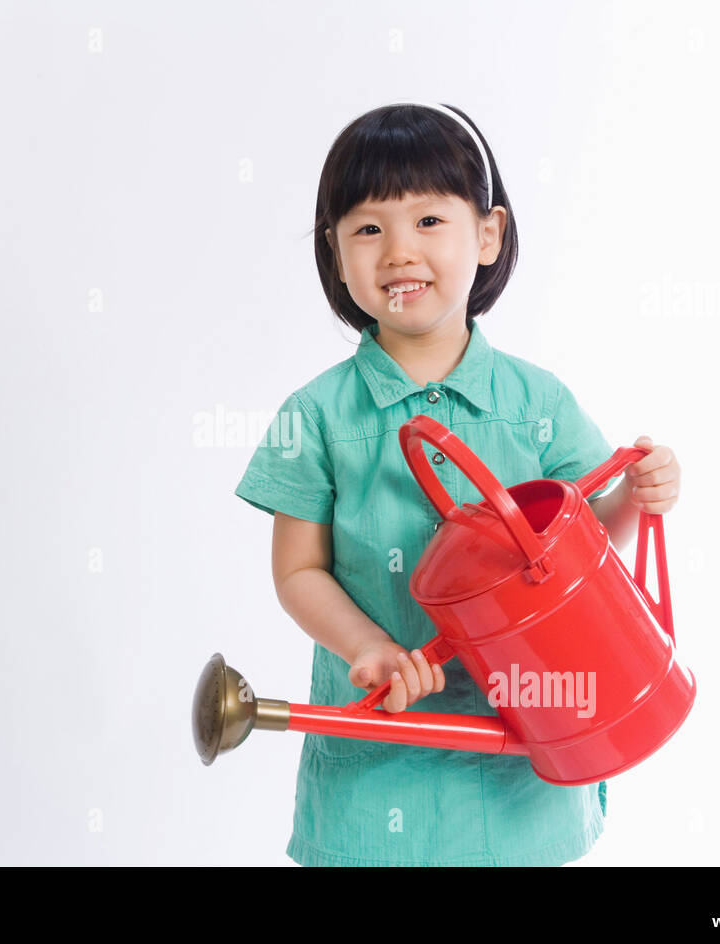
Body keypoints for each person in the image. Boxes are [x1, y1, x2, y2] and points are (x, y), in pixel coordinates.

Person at [234, 102, 682, 866]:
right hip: (374, 767)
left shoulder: (537, 404)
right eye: (368, 229)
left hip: (521, 777)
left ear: (488, 234)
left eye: (428, 221)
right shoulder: (313, 415)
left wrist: (636, 499)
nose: (399, 251)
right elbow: (297, 569)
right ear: (336, 257)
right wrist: (368, 648)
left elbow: (589, 549)